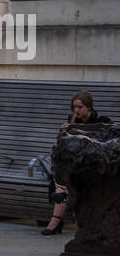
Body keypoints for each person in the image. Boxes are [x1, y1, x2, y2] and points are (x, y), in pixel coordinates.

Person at [42, 90, 111, 236]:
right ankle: (56, 220)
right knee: (61, 178)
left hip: (93, 167)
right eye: (74, 107)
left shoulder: (102, 121)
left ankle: (55, 222)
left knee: (63, 182)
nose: (76, 110)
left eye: (80, 107)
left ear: (89, 108)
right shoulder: (71, 121)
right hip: (74, 166)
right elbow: (62, 147)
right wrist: (63, 133)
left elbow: (109, 143)